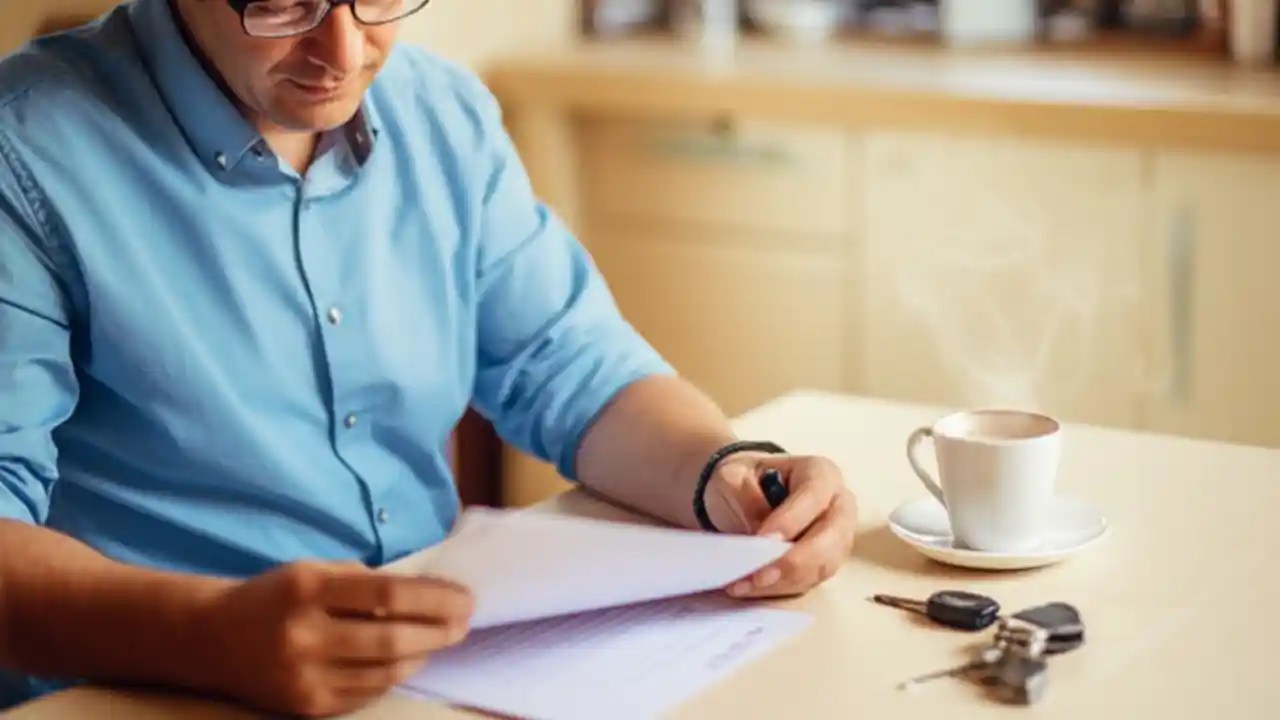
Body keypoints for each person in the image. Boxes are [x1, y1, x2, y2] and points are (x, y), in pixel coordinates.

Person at [0, 0, 859, 715]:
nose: (339, 50)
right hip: (141, 693)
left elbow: (572, 366)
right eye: (282, 2)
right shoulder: (27, 152)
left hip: (425, 682)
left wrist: (730, 475)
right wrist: (208, 632)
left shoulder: (443, 115)